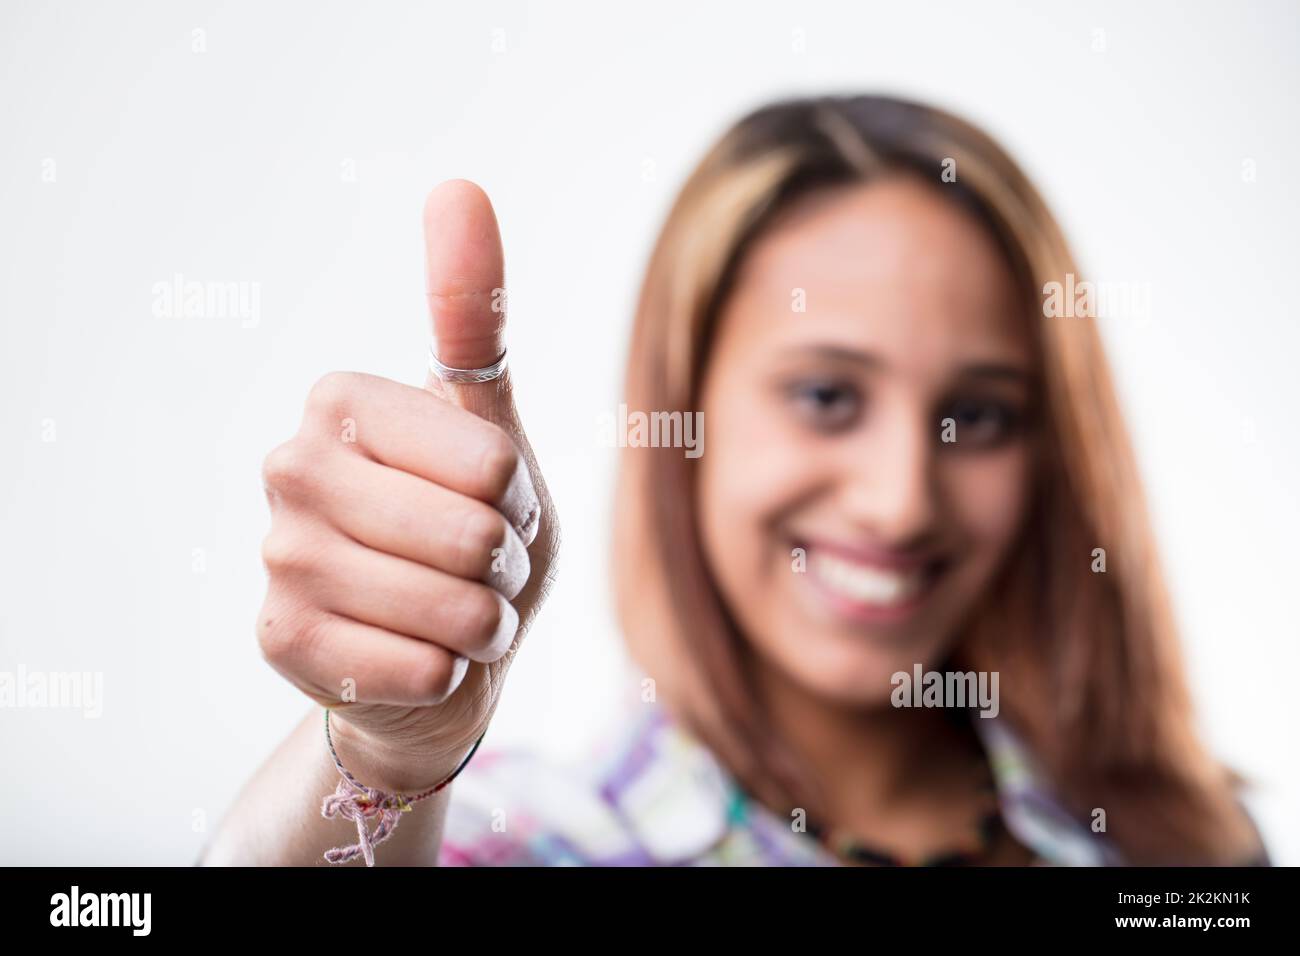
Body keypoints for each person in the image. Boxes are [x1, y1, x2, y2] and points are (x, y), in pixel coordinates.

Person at [201, 95, 1268, 867]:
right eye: (824, 397)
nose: (900, 500)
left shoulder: (1179, 844)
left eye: (975, 416)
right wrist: (390, 752)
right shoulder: (541, 841)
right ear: (686, 421)